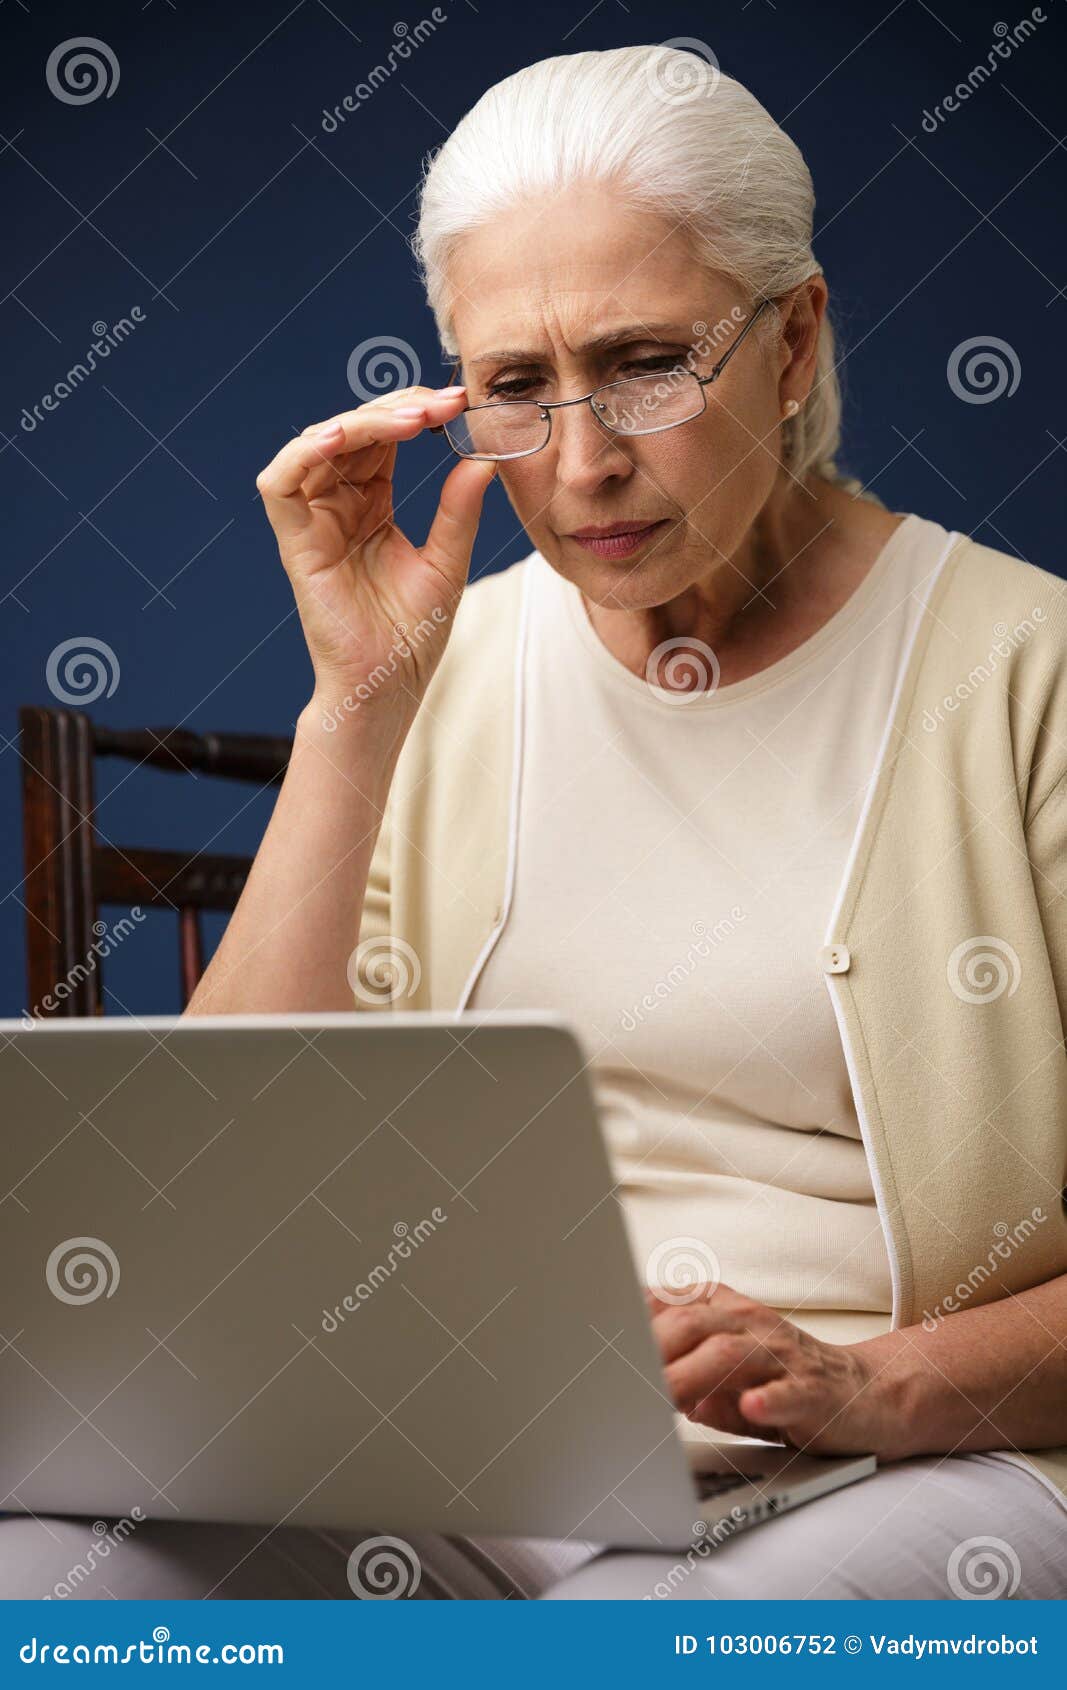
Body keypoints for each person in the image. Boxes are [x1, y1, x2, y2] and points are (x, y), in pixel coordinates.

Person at [9, 43, 1066, 1600]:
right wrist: (355, 714)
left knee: (632, 1634)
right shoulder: (459, 666)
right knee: (51, 1576)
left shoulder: (1026, 672)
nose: (583, 463)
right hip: (466, 1464)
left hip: (906, 1459)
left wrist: (874, 1379)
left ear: (793, 342)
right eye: (515, 387)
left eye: (647, 361)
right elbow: (208, 1183)